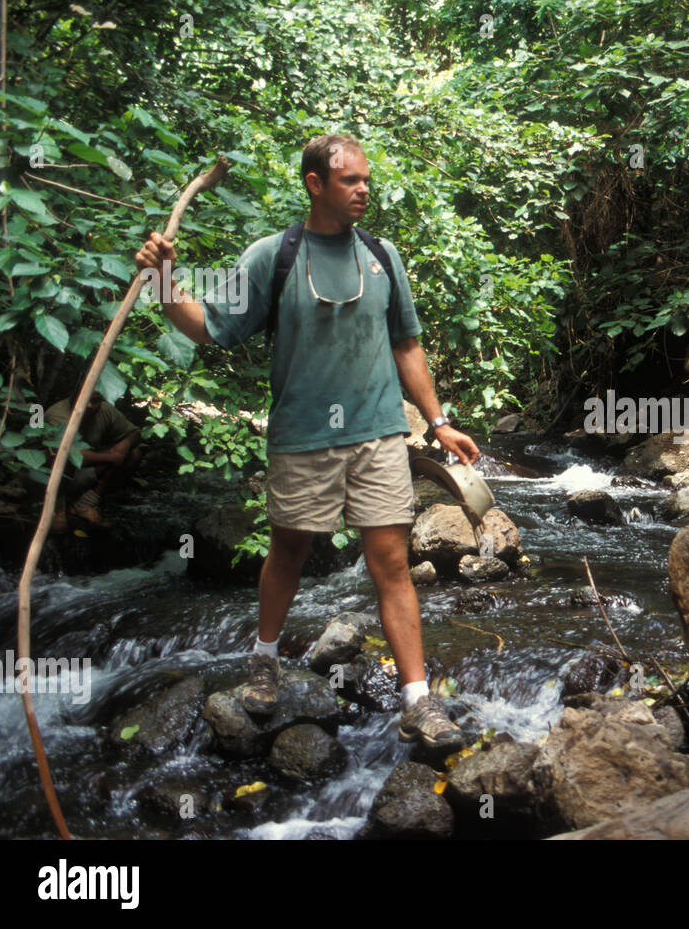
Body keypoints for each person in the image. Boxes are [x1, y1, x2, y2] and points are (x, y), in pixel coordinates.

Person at [133, 134, 480, 754]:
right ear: (316, 184)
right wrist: (163, 281)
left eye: (367, 179)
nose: (364, 189)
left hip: (377, 432)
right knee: (289, 552)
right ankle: (264, 660)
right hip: (301, 437)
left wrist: (439, 420)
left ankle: (418, 701)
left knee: (392, 563)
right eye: (350, 180)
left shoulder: (383, 256)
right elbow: (210, 329)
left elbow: (406, 344)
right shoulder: (275, 256)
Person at [44, 378, 145, 531]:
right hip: (52, 476)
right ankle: (57, 508)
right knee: (57, 461)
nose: (90, 405)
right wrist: (112, 457)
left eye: (96, 400)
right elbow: (70, 455)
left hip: (84, 472)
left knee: (134, 453)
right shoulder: (58, 414)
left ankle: (86, 503)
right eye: (85, 398)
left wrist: (124, 445)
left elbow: (134, 432)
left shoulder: (105, 410)